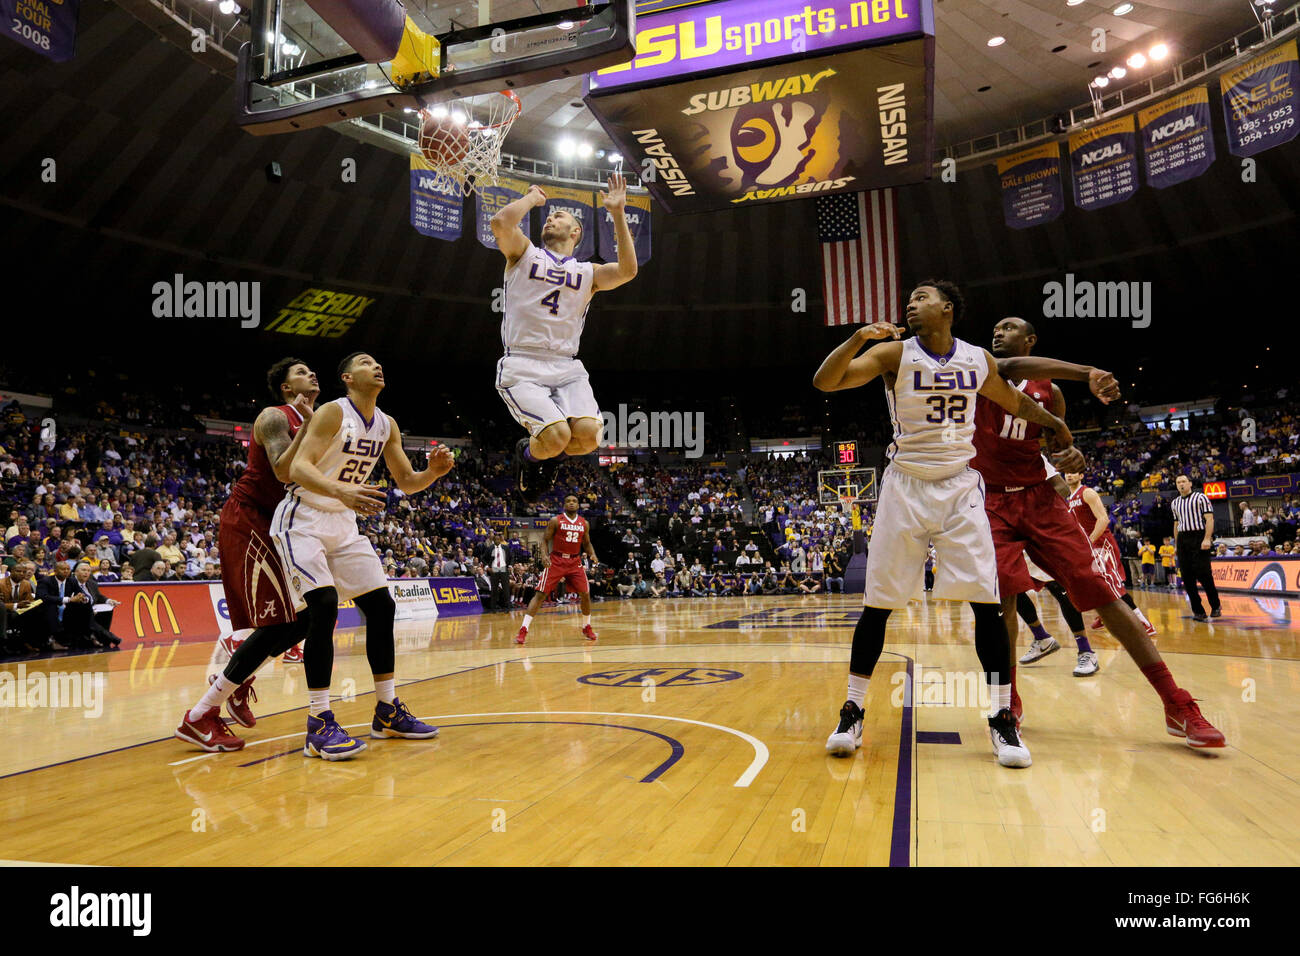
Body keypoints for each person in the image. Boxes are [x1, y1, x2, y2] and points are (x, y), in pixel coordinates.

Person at [813, 281, 1078, 769]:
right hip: (905, 486)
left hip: (960, 486)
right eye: (909, 299)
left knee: (987, 602)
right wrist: (857, 340)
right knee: (878, 605)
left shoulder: (977, 358)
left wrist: (1056, 425)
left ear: (948, 308)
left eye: (922, 296)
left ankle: (1002, 718)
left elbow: (1015, 402)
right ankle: (852, 710)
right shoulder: (894, 353)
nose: (912, 303)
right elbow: (826, 382)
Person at [971, 316, 1221, 747]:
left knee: (1098, 589)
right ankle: (1008, 698)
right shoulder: (986, 368)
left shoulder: (1053, 393)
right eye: (995, 327)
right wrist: (1089, 371)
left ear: (1031, 339)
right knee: (1004, 602)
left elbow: (1055, 446)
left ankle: (1176, 703)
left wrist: (1068, 453)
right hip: (989, 500)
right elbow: (1010, 369)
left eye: (1009, 327)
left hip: (1040, 498)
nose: (997, 331)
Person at [175, 359, 322, 752]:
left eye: (312, 371)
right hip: (251, 519)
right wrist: (309, 425)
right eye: (302, 372)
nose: (311, 375)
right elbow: (282, 470)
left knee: (305, 619)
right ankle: (200, 716)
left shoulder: (320, 419)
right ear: (287, 388)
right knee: (277, 624)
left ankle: (235, 681)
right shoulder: (275, 416)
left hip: (286, 525)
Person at [490, 174, 639, 503]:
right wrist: (531, 199)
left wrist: (616, 213)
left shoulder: (589, 273)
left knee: (588, 438)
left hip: (565, 365)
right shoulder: (524, 254)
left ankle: (544, 456)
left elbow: (629, 270)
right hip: (522, 363)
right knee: (556, 437)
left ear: (575, 232)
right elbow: (501, 222)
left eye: (560, 216)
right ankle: (528, 455)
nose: (551, 218)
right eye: (550, 216)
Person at [516, 494, 600, 645]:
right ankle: (523, 630)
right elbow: (544, 540)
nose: (572, 503)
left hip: (575, 561)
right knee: (540, 594)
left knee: (586, 594)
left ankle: (586, 626)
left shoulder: (584, 523)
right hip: (556, 560)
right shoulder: (556, 520)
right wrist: (544, 555)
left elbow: (586, 543)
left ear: (578, 505)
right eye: (568, 501)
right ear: (564, 505)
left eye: (574, 501)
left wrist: (592, 554)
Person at [1172, 475, 1221, 622]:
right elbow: (1176, 524)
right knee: (1187, 577)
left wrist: (1207, 538)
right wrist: (1176, 544)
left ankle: (1215, 605)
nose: (1181, 484)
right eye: (1178, 482)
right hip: (1182, 539)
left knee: (1204, 574)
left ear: (1190, 484)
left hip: (1198, 536)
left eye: (1183, 481)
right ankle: (1198, 611)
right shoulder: (1175, 503)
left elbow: (1209, 519)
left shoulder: (1201, 498)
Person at [61, 561, 122, 650]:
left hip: (92, 609)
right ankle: (111, 638)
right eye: (83, 570)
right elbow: (68, 600)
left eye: (89, 571)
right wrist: (88, 609)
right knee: (87, 614)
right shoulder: (69, 583)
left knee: (108, 610)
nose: (86, 573)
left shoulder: (92, 583)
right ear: (76, 572)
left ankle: (102, 639)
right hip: (74, 612)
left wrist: (109, 601)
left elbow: (98, 596)